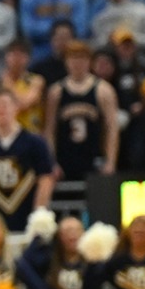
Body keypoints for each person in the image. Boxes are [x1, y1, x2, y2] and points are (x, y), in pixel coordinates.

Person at [0, 89, 55, 233]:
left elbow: (45, 179)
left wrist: (38, 216)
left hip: (27, 220)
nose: (0, 109)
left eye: (4, 105)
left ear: (16, 107)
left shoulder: (35, 143)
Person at [43, 38, 119, 182]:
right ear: (66, 61)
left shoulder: (103, 90)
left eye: (82, 59)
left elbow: (112, 129)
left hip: (94, 158)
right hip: (65, 159)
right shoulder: (56, 92)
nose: (77, 64)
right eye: (73, 58)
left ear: (89, 61)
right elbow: (49, 130)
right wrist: (51, 162)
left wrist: (110, 161)